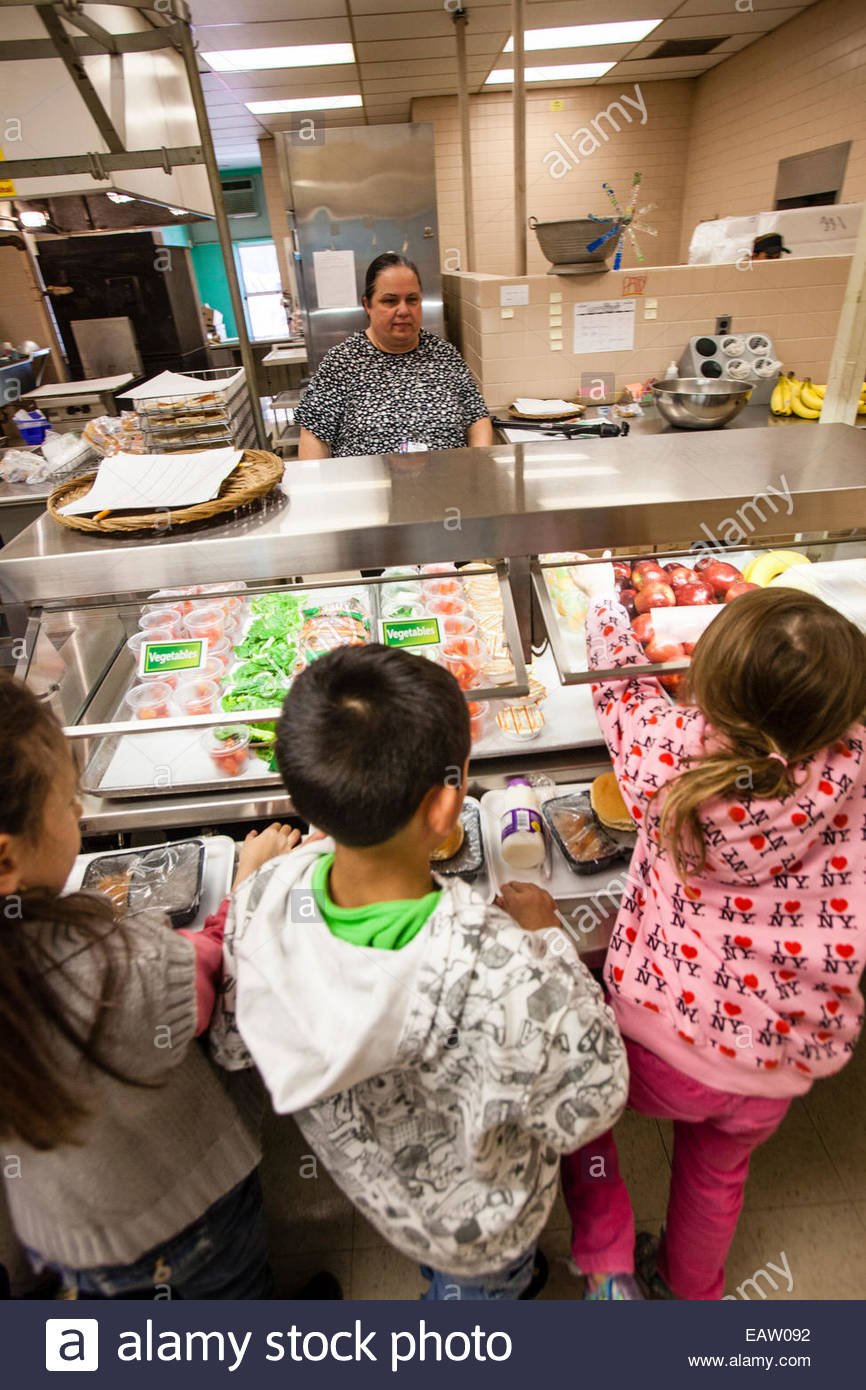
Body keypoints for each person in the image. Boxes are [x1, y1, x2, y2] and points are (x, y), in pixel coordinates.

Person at [210, 642, 628, 1300]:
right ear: (444, 807)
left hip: (378, 1192)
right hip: (483, 1226)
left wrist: (255, 881)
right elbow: (591, 1100)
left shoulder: (261, 900)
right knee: (475, 1296)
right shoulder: (512, 971)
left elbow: (234, 1041)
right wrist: (550, 941)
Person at [517, 577, 866, 1300]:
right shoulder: (854, 759)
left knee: (579, 1103)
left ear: (706, 687)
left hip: (661, 1046)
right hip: (777, 1057)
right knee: (716, 1179)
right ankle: (693, 1293)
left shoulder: (674, 753)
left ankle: (608, 1261)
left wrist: (609, 610)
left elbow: (624, 697)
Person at [0, 673, 300, 1299]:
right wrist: (249, 882)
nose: (80, 809)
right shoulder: (117, 969)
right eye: (65, 798)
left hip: (68, 1237)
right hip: (188, 1217)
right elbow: (216, 970)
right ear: (7, 858)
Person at [296, 251, 493, 459]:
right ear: (368, 305)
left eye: (412, 300)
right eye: (390, 301)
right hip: (368, 490)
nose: (403, 310)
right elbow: (314, 438)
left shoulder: (444, 355)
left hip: (446, 486)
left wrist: (477, 466)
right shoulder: (342, 362)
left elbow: (477, 419)